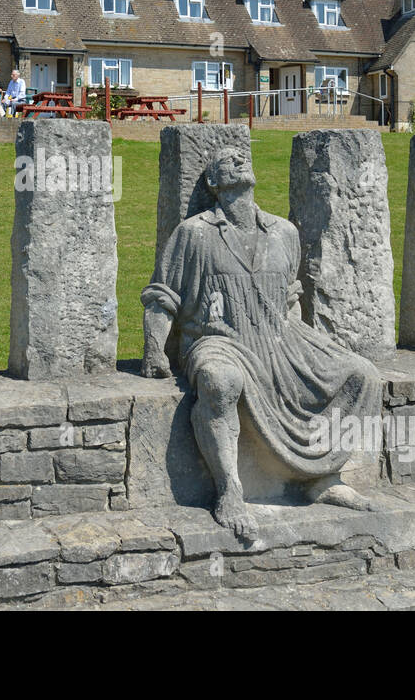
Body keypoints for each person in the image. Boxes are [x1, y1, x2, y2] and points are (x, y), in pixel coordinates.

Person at [141, 148, 382, 540]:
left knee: (362, 375)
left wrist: (301, 358)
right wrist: (154, 350)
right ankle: (229, 490)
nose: (238, 159)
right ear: (213, 183)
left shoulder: (283, 232)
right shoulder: (194, 233)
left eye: (242, 155)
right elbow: (162, 296)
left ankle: (322, 476)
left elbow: (290, 301)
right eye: (226, 159)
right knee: (220, 383)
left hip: (278, 335)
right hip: (217, 339)